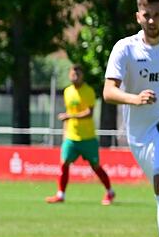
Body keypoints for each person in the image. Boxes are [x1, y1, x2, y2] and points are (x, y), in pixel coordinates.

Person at [103, 0, 159, 237]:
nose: (152, 20)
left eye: (157, 15)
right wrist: (135, 99)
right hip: (141, 134)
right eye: (147, 15)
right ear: (138, 16)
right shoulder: (125, 49)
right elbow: (108, 91)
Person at [45, 64, 115, 205]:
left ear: (82, 75)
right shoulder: (67, 91)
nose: (74, 76)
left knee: (95, 166)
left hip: (88, 137)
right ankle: (60, 194)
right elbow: (68, 112)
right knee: (64, 163)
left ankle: (109, 192)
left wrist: (70, 116)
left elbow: (89, 113)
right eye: (72, 73)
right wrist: (65, 134)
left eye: (77, 74)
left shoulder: (89, 91)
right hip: (71, 137)